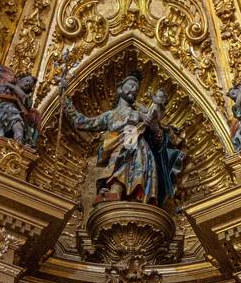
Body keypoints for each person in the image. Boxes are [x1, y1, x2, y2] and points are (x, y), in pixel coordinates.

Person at [64, 71, 183, 208]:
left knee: (131, 148)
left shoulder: (141, 114)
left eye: (136, 88)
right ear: (120, 89)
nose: (134, 89)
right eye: (131, 85)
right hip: (116, 147)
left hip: (138, 148)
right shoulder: (110, 115)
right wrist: (65, 101)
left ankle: (132, 194)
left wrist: (153, 123)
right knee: (125, 151)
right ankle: (115, 188)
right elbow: (82, 123)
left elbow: (158, 138)